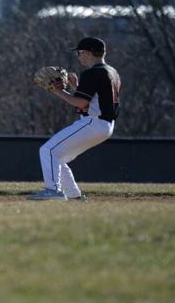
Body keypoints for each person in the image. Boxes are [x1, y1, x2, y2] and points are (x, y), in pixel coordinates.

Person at [29, 37, 121, 201]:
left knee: (48, 150)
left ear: (88, 52)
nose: (79, 56)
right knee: (58, 157)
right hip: (105, 125)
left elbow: (81, 103)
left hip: (94, 122)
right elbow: (93, 101)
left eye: (79, 53)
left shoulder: (92, 72)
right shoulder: (111, 72)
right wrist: (75, 87)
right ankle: (74, 196)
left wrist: (57, 91)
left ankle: (53, 191)